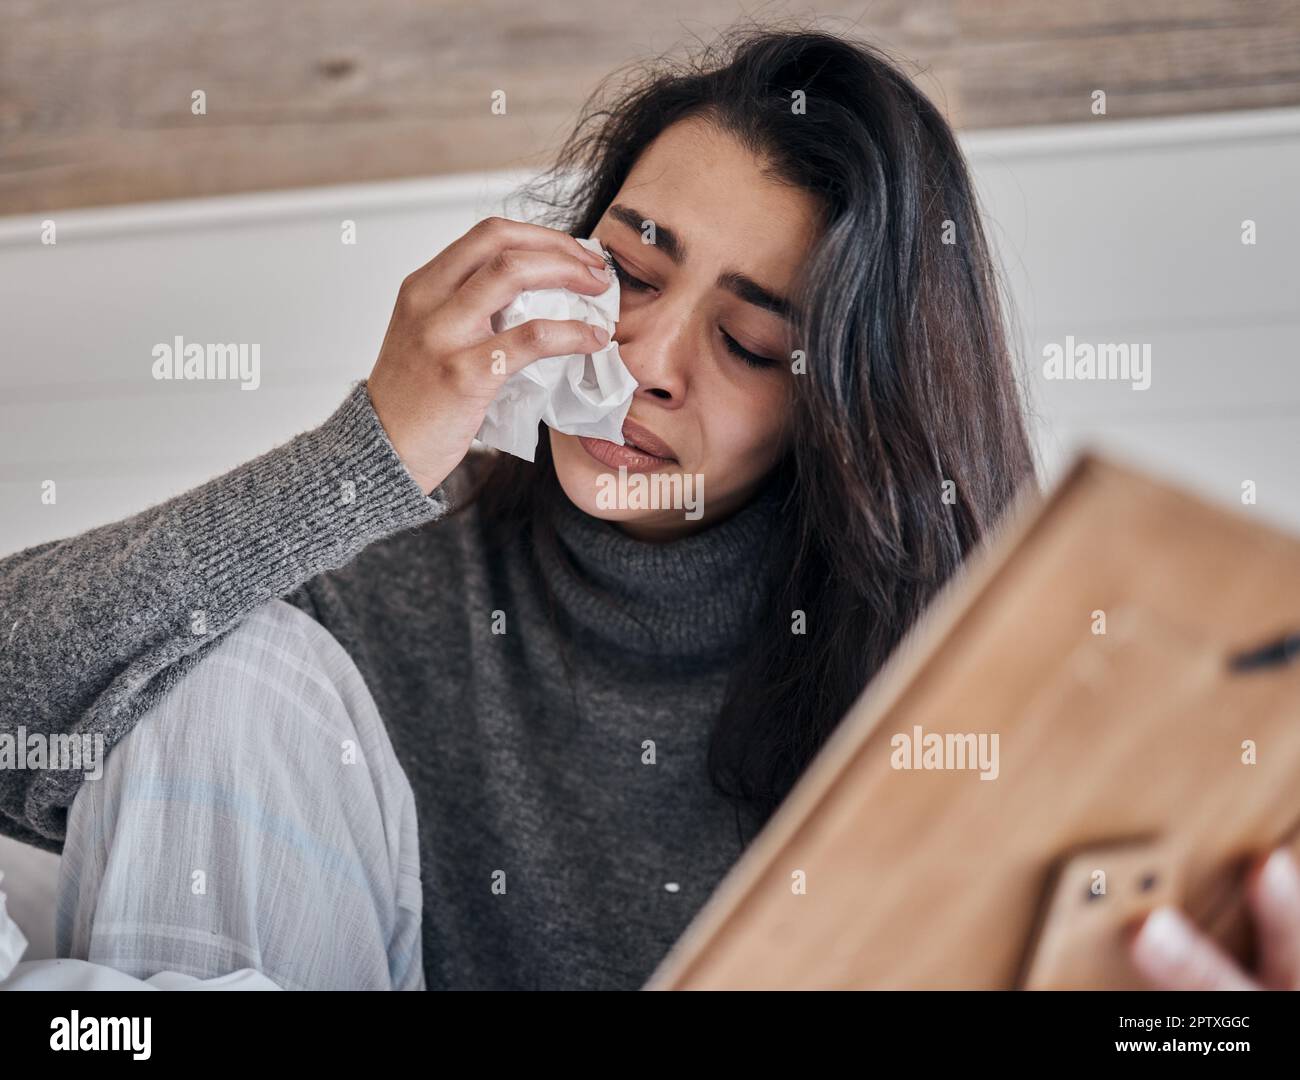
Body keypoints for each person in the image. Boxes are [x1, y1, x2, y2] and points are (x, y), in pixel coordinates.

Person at [3, 26, 1294, 991]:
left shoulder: (936, 692)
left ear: (844, 411)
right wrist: (369, 452)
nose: (651, 358)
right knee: (231, 663)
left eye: (748, 344)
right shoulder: (376, 595)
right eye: (627, 270)